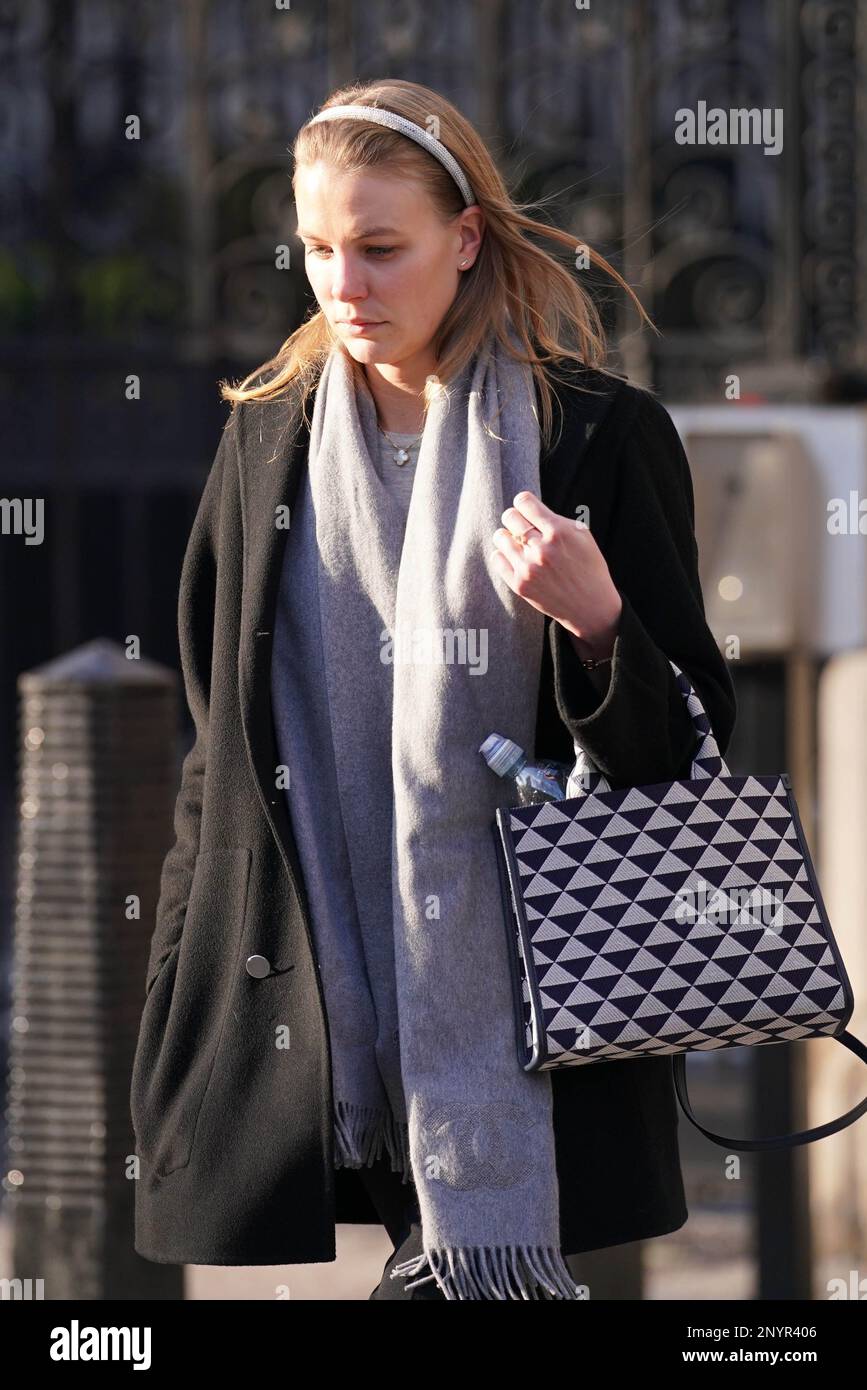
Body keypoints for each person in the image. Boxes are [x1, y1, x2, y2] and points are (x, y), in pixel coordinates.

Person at [130, 78, 737, 1301]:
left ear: (466, 240)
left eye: (380, 248)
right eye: (316, 249)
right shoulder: (267, 441)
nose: (343, 286)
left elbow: (691, 753)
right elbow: (220, 752)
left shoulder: (594, 439)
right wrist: (175, 990)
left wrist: (599, 621)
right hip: (311, 1014)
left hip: (545, 1017)